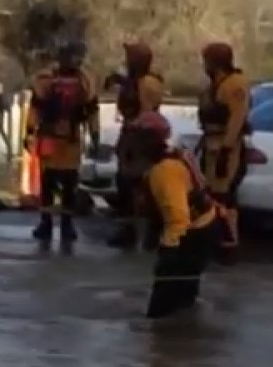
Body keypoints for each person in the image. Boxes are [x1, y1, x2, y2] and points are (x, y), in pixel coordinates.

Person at [132, 111, 221, 318]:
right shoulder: (176, 155)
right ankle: (185, 341)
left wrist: (168, 250)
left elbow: (178, 217)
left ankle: (165, 343)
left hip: (191, 236)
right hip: (204, 227)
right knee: (184, 303)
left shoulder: (165, 170)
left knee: (160, 309)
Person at [23, 39, 100, 246]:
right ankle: (65, 225)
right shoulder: (84, 81)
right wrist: (95, 135)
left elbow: (35, 108)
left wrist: (29, 132)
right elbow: (92, 111)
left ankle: (48, 223)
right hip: (69, 140)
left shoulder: (46, 79)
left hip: (51, 139)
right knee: (68, 184)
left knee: (50, 183)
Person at [107, 42, 167, 249]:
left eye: (130, 58)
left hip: (144, 136)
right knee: (125, 184)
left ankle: (154, 231)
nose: (127, 61)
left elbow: (147, 111)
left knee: (146, 184)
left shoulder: (149, 82)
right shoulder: (135, 81)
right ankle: (128, 230)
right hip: (131, 134)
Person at [197, 42, 251, 259]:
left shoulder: (235, 84)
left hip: (227, 148)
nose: (204, 66)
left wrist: (226, 150)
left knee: (225, 196)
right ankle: (216, 238)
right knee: (212, 195)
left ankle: (228, 243)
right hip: (211, 146)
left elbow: (236, 120)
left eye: (207, 61)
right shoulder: (215, 85)